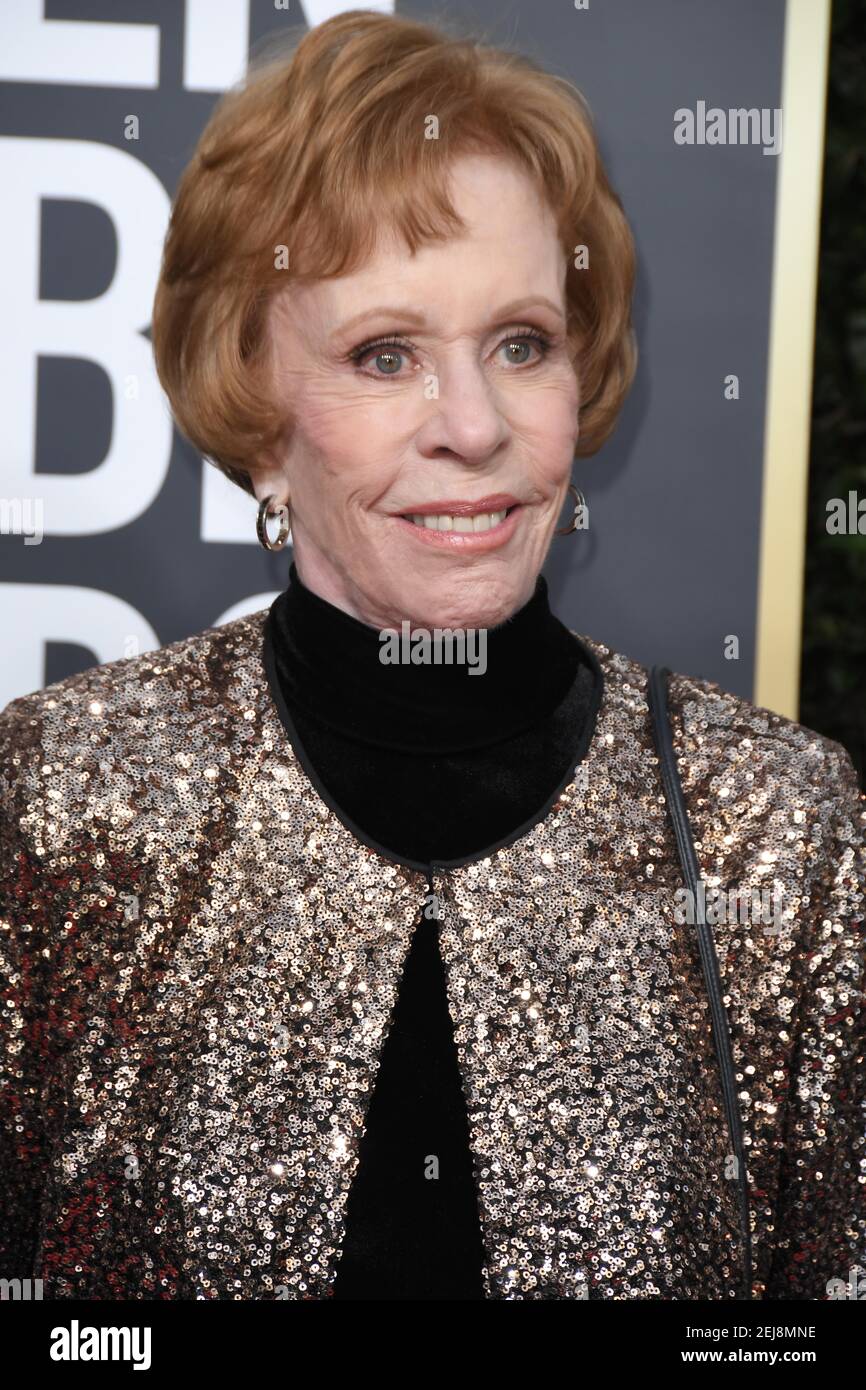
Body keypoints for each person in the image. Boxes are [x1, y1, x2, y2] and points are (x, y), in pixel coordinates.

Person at [1, 10, 863, 1302]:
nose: (471, 427)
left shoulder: (778, 828)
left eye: (521, 344)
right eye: (383, 355)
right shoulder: (59, 802)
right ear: (258, 412)